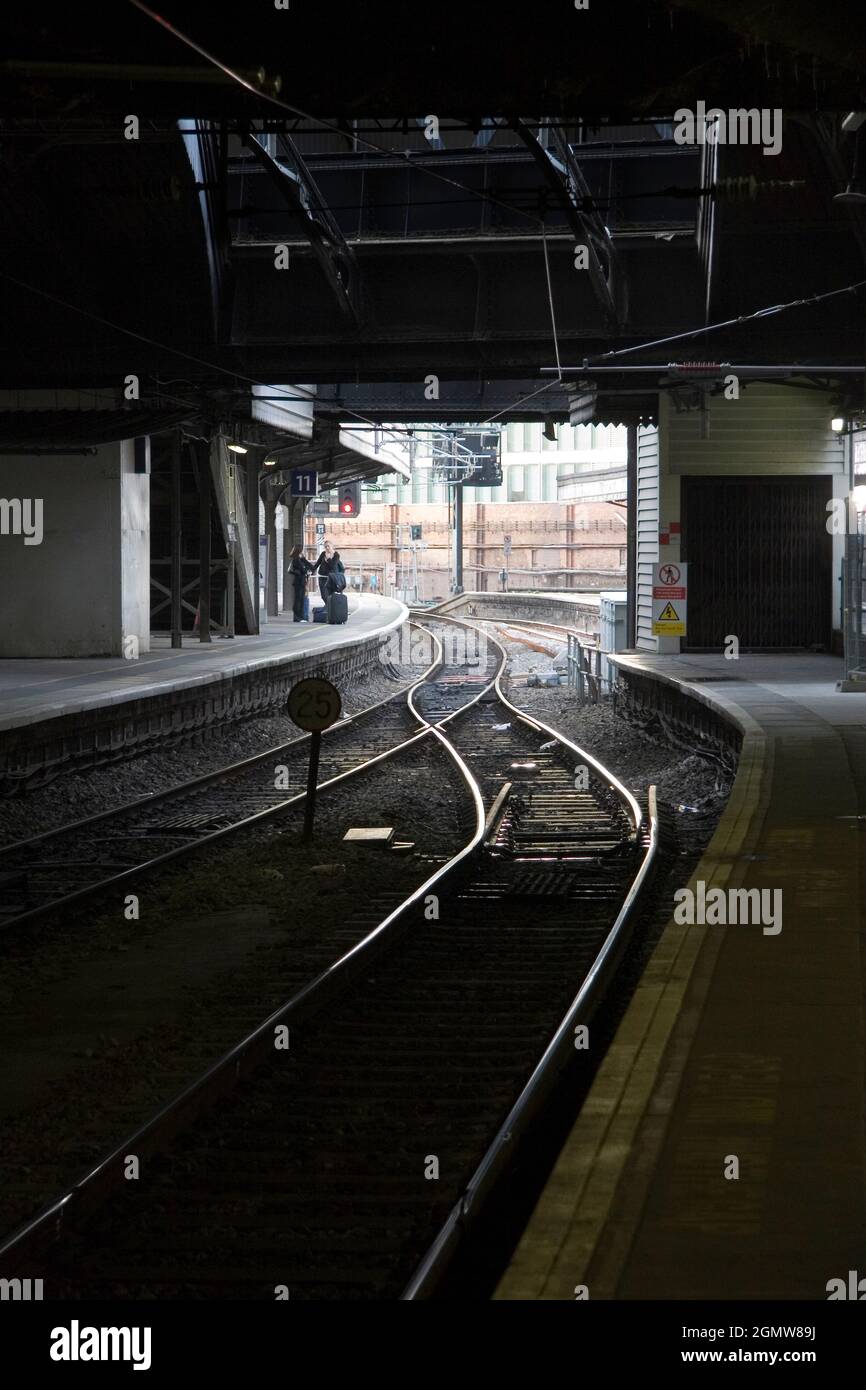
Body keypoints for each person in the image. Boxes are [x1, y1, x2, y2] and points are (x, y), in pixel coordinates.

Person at [288, 545, 312, 622]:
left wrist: (304, 560)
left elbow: (311, 567)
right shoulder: (296, 560)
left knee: (300, 599)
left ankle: (299, 617)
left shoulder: (300, 559)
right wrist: (306, 569)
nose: (304, 551)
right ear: (299, 551)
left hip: (300, 581)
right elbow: (304, 570)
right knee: (298, 599)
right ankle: (297, 617)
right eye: (302, 550)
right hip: (299, 582)